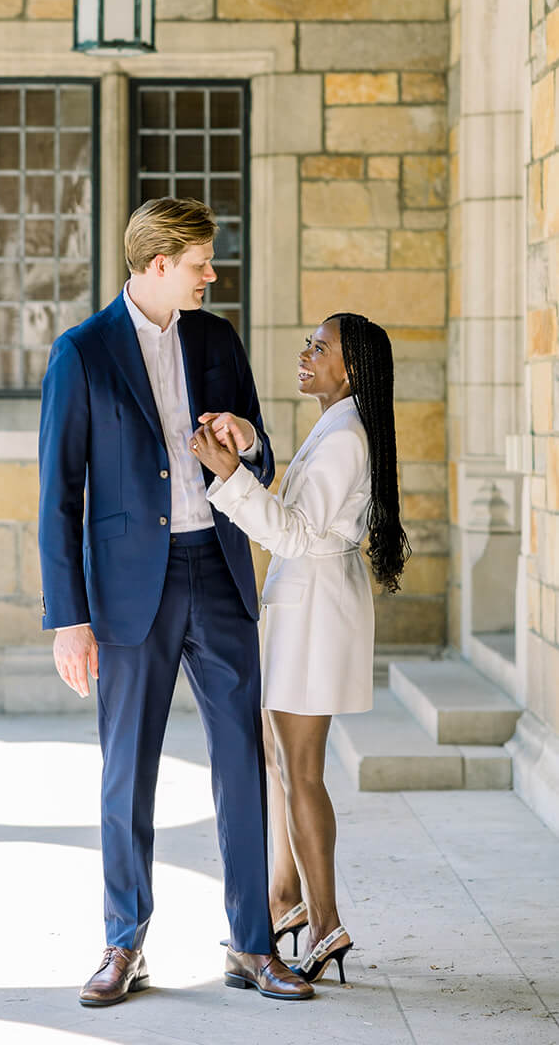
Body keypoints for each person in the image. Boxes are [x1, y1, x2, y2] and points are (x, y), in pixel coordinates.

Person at [38, 197, 314, 1006]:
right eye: (200, 263)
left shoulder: (216, 337)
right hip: (128, 593)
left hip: (219, 572)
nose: (211, 274)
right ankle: (122, 943)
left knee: (241, 764)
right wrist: (69, 618)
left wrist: (246, 436)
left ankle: (252, 946)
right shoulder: (80, 352)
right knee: (128, 770)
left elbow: (258, 442)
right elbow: (59, 494)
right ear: (158, 265)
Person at [191, 312, 410, 986]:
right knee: (276, 756)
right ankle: (282, 902)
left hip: (313, 611)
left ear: (349, 370)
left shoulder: (345, 437)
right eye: (310, 343)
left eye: (321, 348)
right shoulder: (335, 424)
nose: (306, 353)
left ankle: (324, 923)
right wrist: (249, 449)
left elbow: (290, 533)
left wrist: (228, 477)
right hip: (307, 606)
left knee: (302, 769)